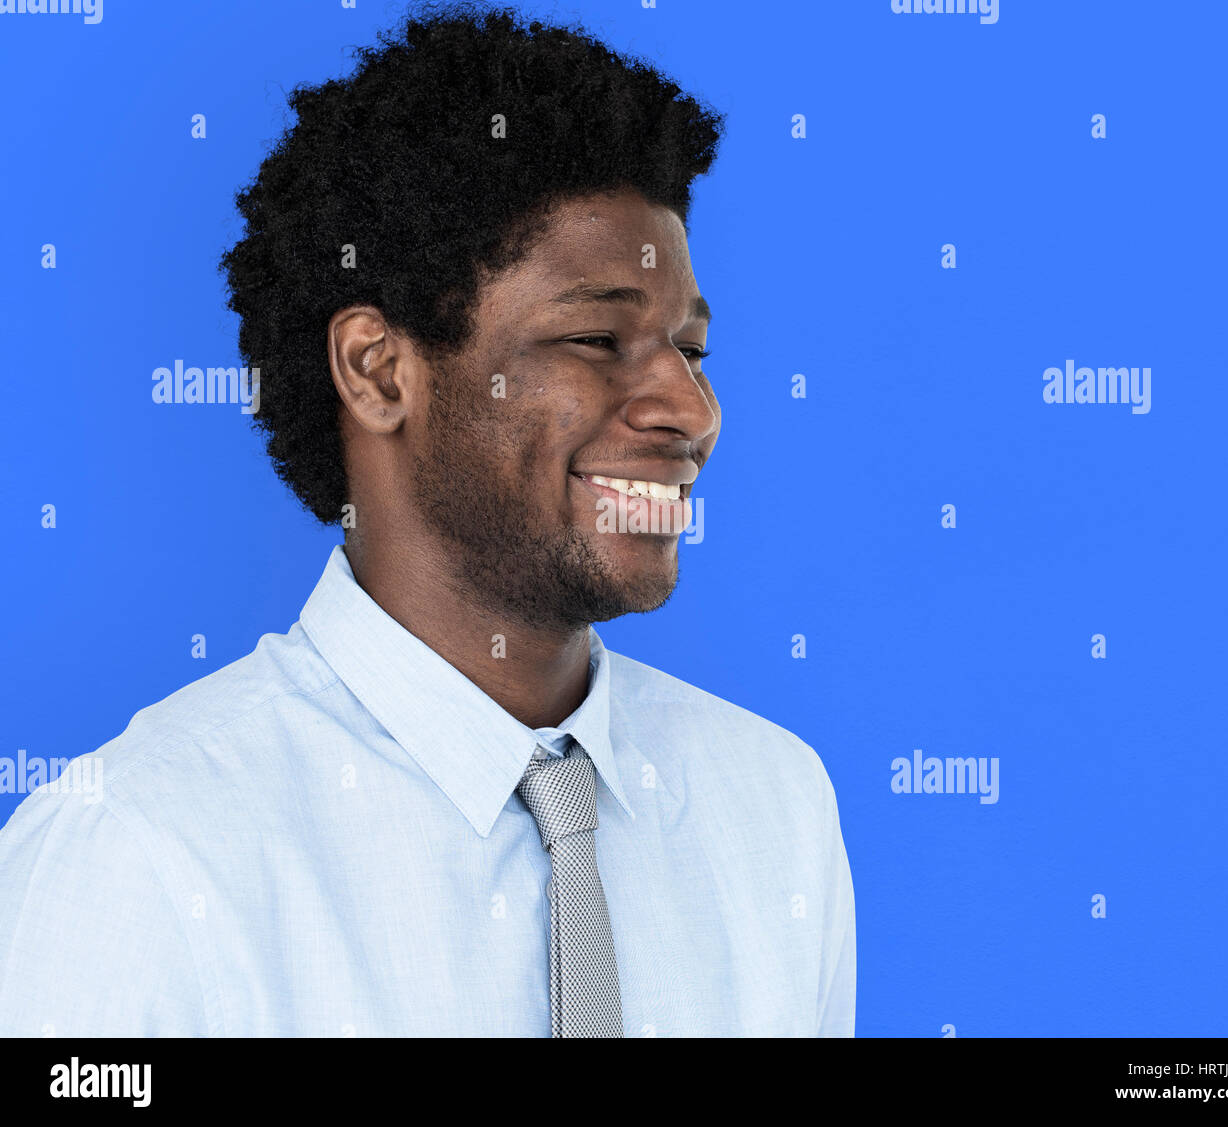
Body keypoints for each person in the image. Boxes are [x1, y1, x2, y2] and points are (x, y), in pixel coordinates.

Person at [0, 1, 855, 1037]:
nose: (691, 409)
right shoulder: (139, 856)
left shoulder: (771, 804)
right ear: (377, 370)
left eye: (691, 349)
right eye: (593, 337)